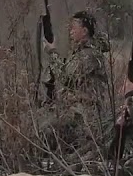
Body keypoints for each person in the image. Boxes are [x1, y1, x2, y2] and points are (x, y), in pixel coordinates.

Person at [39, 10, 112, 162]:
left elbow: (66, 78)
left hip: (86, 116)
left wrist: (52, 52)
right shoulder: (81, 52)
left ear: (84, 31)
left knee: (46, 130)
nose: (70, 31)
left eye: (74, 28)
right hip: (77, 111)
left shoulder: (89, 55)